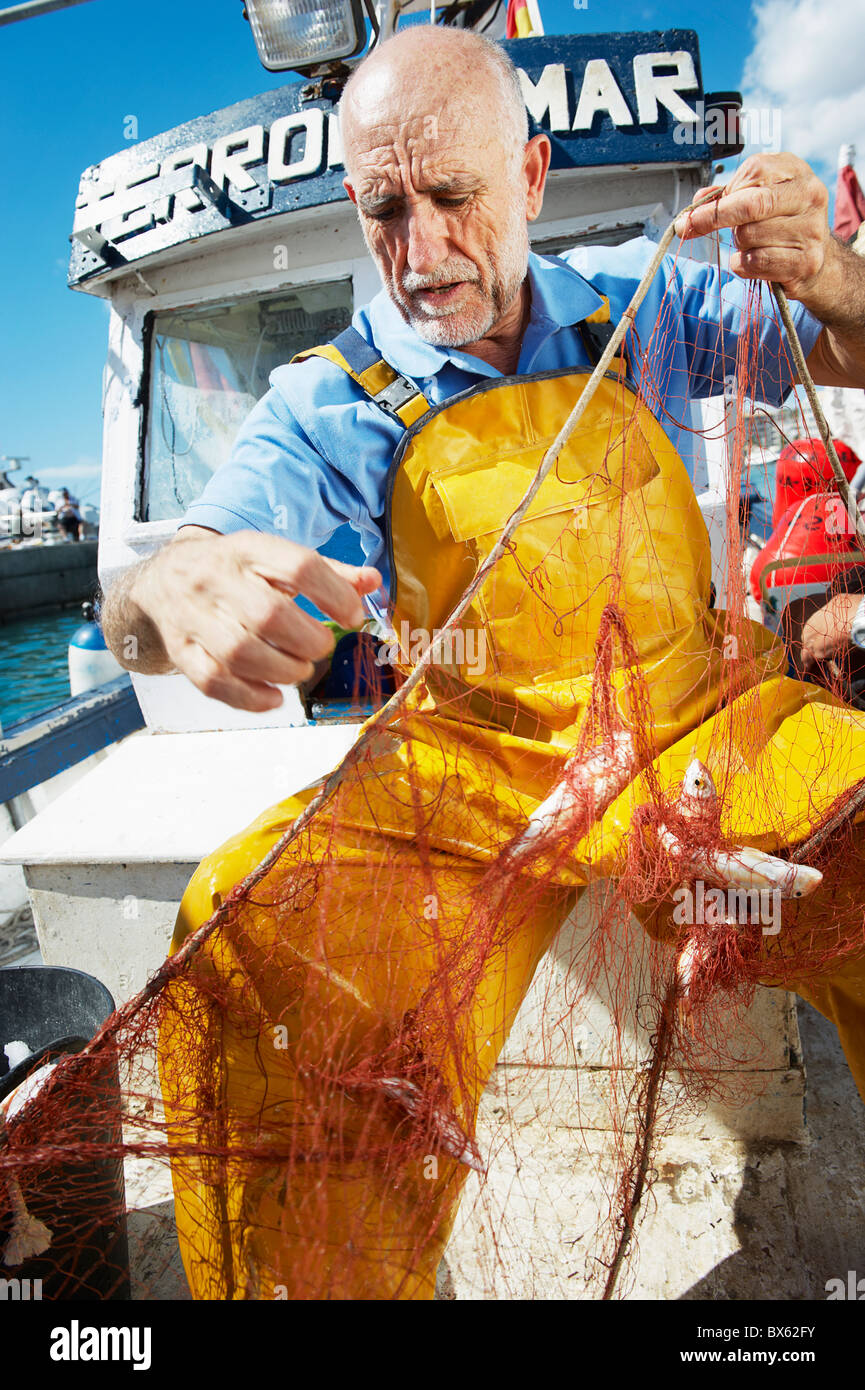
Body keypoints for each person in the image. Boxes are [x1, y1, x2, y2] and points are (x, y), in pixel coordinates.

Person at [103, 27, 865, 1299]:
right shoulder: (322, 401)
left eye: (453, 198)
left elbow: (846, 343)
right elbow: (146, 599)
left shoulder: (650, 292)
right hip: (468, 772)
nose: (419, 255)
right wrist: (162, 590)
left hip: (695, 722)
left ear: (532, 176)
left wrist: (834, 276)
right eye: (382, 210)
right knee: (245, 943)